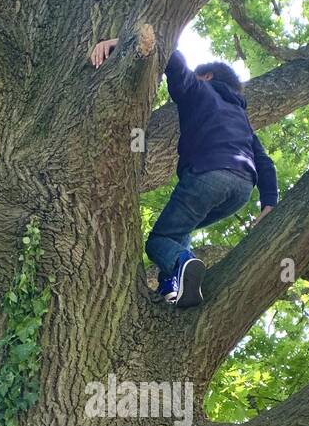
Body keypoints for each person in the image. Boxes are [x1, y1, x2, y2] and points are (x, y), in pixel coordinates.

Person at [90, 39, 278, 307]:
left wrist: (124, 41)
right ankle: (171, 285)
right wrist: (269, 203)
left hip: (207, 176)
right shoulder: (241, 119)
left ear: (208, 76)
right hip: (242, 189)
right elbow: (264, 161)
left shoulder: (200, 89)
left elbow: (174, 60)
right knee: (181, 228)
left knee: (160, 240)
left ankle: (183, 263)